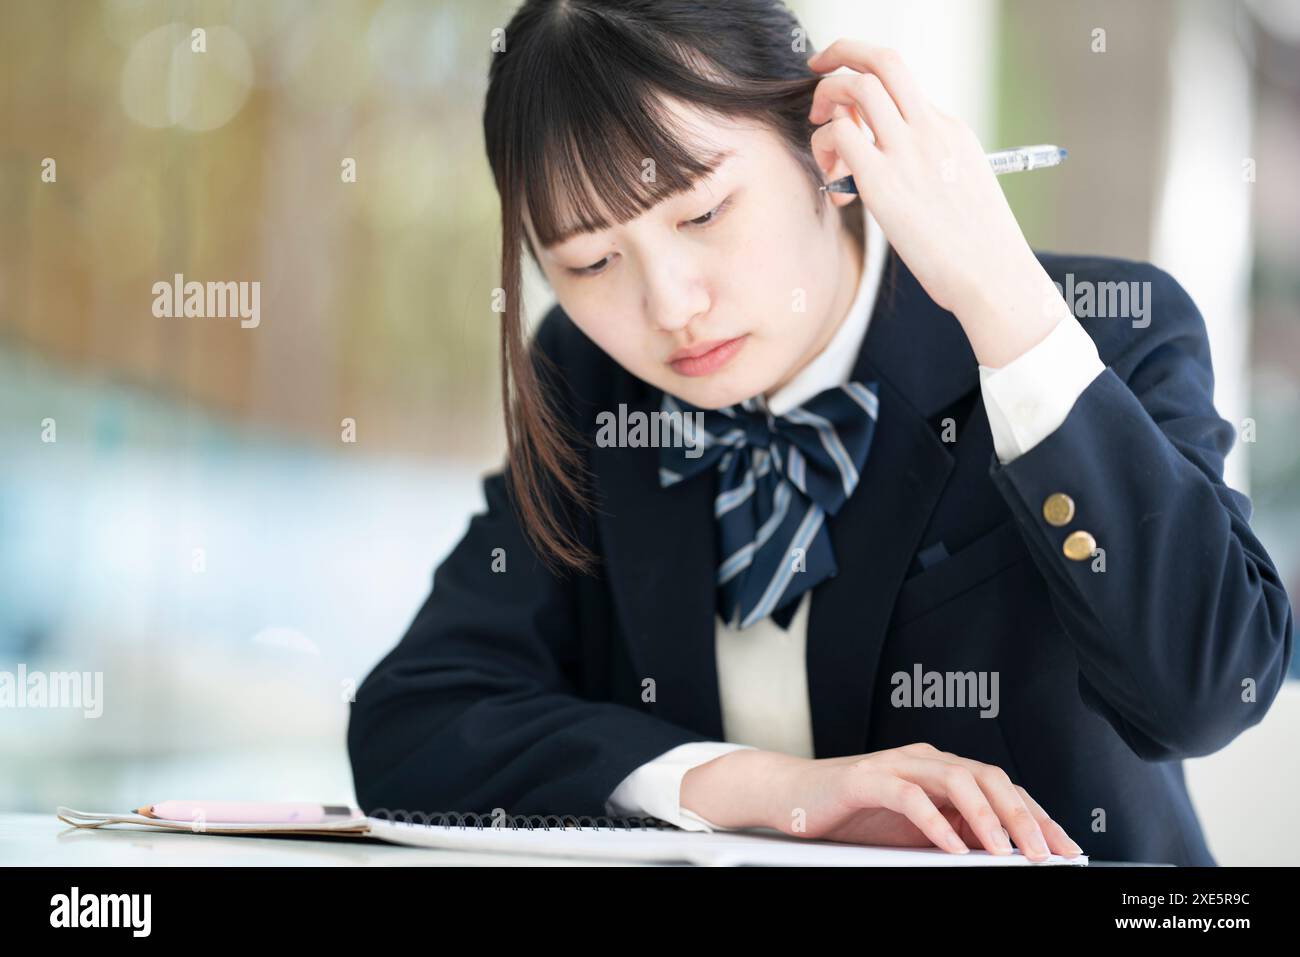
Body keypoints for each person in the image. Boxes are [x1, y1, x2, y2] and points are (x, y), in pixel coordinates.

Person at [347, 0, 1293, 866]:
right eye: (591, 261)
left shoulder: (1094, 332)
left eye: (706, 211)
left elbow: (1207, 690)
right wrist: (767, 790)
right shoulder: (590, 380)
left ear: (824, 145)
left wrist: (1005, 305)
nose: (671, 305)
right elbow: (415, 719)